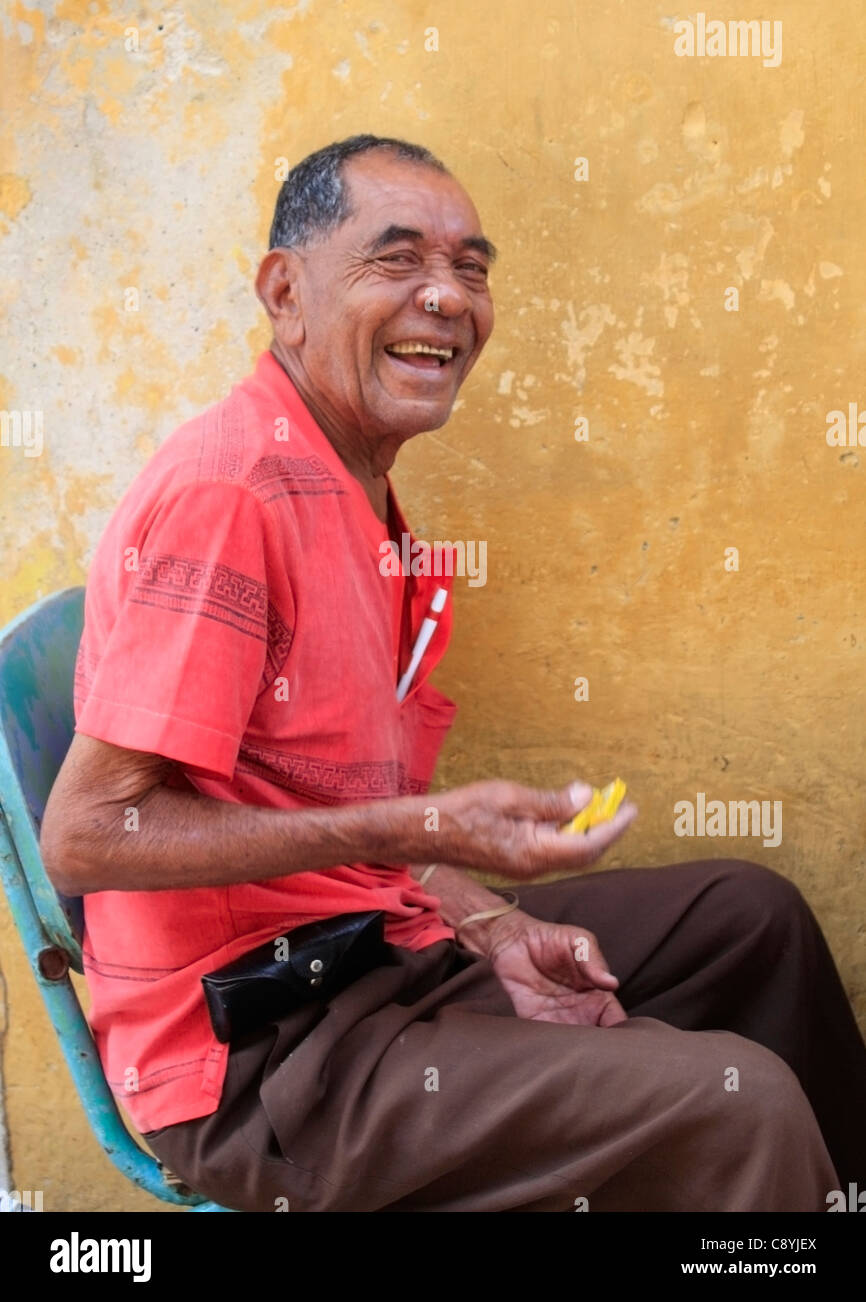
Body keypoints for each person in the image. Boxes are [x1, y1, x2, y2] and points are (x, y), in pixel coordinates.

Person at [42, 134, 866, 1212]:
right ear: (284, 291)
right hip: (264, 1057)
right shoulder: (233, 495)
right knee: (735, 1101)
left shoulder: (351, 487)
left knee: (747, 917)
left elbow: (335, 812)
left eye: (470, 268)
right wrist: (420, 831)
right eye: (396, 261)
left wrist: (493, 923)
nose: (445, 296)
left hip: (377, 953)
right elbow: (91, 834)